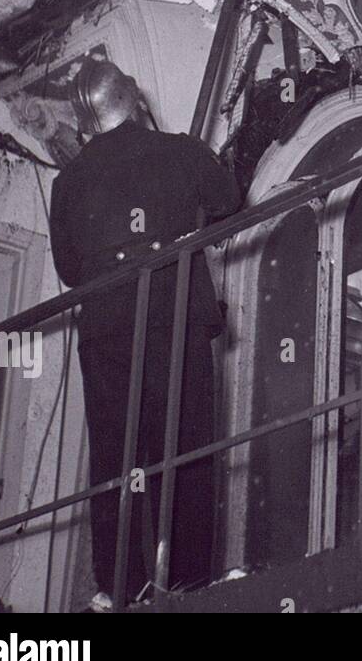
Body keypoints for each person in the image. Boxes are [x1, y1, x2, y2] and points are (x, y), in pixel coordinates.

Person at [49, 58, 240, 606]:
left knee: (115, 458)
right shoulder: (176, 149)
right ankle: (185, 584)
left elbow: (69, 266)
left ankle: (119, 587)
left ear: (84, 122)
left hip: (105, 326)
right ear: (133, 99)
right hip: (170, 312)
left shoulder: (68, 182)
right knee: (185, 449)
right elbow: (227, 199)